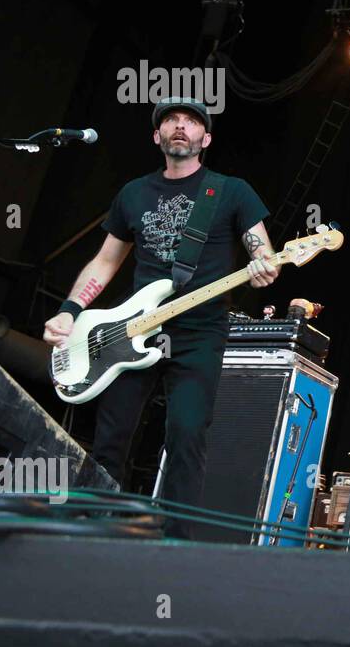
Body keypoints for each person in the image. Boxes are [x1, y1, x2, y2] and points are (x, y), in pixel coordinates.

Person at [43, 97, 279, 535]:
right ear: (157, 136)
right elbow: (106, 261)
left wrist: (265, 265)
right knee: (112, 438)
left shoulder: (230, 191)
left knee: (187, 436)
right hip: (131, 331)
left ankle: (175, 546)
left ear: (205, 139)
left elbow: (260, 249)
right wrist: (69, 311)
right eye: (171, 120)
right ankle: (93, 531)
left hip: (199, 332)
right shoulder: (133, 193)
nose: (180, 126)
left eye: (191, 122)